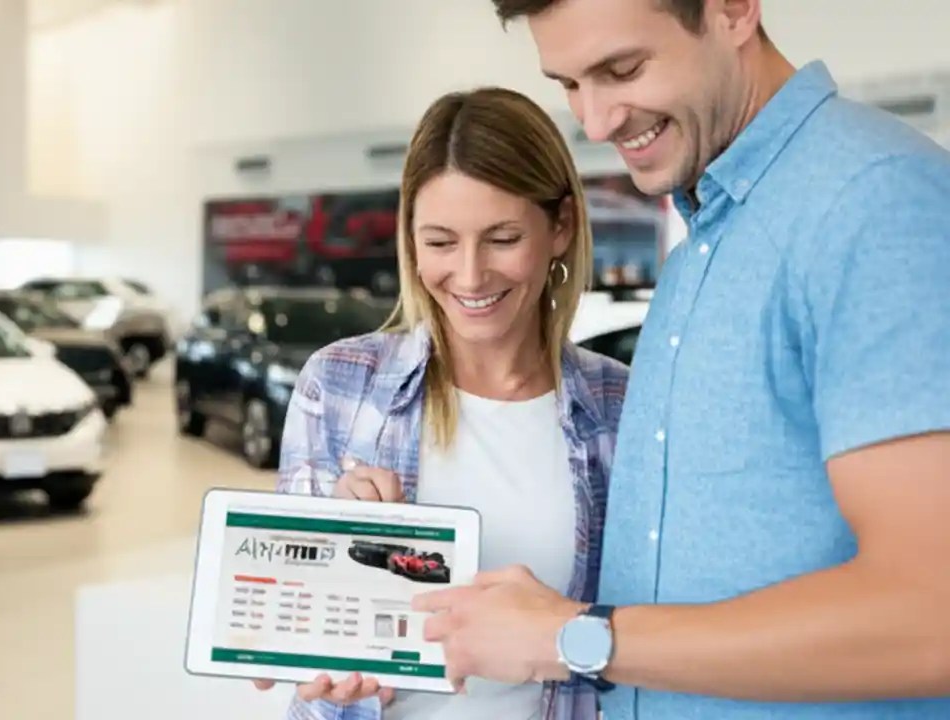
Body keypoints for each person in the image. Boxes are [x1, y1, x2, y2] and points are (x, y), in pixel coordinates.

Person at [412, 1, 950, 718]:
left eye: (623, 69)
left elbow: (931, 615)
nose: (596, 122)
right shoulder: (711, 231)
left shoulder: (870, 201)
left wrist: (575, 636)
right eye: (570, 84)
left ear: (732, 10)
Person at [251, 87, 628, 719]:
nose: (472, 275)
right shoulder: (340, 384)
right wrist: (333, 574)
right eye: (441, 241)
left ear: (560, 226)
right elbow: (304, 625)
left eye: (503, 237)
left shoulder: (620, 405)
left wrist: (564, 635)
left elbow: (652, 641)